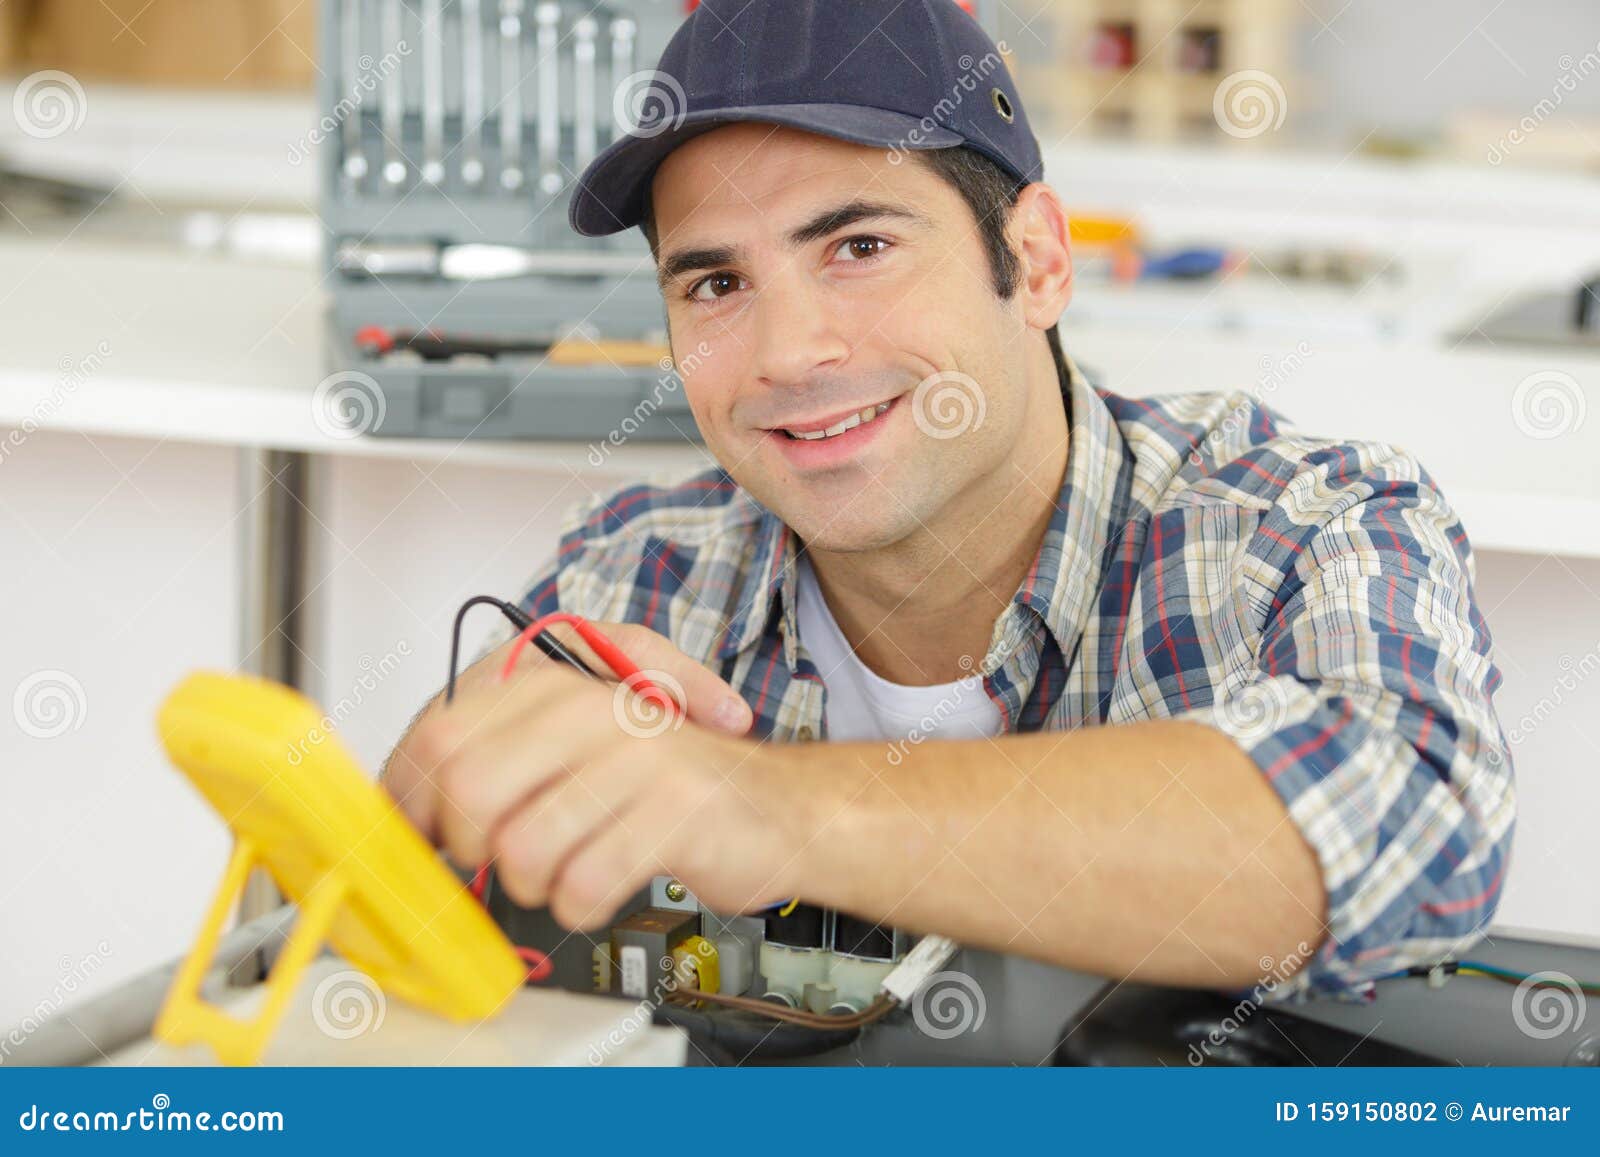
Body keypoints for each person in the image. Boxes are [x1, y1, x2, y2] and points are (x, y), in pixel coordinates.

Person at [385, 0, 1513, 1002]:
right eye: (718, 282)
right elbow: (405, 954)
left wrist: (765, 806)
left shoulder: (1295, 526)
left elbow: (1410, 834)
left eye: (860, 246)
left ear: (1038, 260)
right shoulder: (630, 577)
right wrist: (429, 814)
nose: (789, 353)